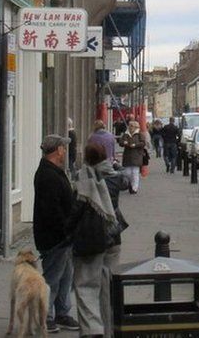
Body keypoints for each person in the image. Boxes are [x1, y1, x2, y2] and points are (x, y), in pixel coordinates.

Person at [70, 141, 130, 338]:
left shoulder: (82, 179)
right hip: (113, 236)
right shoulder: (115, 178)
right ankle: (110, 329)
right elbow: (127, 181)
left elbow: (75, 211)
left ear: (86, 158)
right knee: (108, 287)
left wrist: (67, 231)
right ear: (105, 157)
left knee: (86, 284)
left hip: (91, 239)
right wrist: (116, 165)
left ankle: (92, 330)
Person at [32, 134, 80, 333]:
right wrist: (65, 230)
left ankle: (62, 312)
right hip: (55, 237)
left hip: (64, 237)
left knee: (66, 276)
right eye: (63, 147)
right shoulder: (48, 175)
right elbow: (52, 210)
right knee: (52, 277)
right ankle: (46, 316)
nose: (65, 151)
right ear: (58, 150)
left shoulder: (54, 171)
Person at [119, 121, 147, 193]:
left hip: (137, 155)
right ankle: (131, 184)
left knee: (135, 172)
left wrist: (135, 145)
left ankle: (134, 188)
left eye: (131, 126)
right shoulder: (126, 134)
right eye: (129, 125)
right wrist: (124, 142)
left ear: (135, 127)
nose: (130, 127)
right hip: (127, 155)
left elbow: (143, 143)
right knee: (127, 172)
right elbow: (120, 142)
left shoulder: (139, 134)